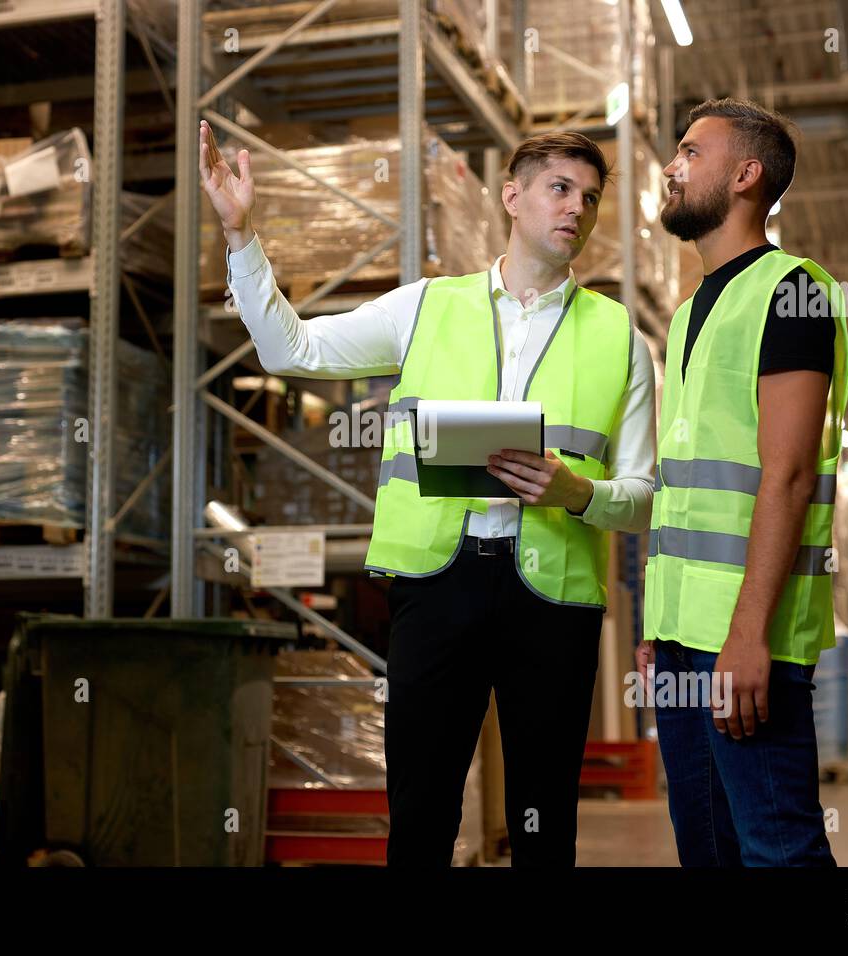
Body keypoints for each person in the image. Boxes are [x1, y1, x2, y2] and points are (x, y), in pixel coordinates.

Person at [199, 120, 655, 866]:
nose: (576, 208)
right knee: (420, 813)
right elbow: (292, 348)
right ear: (513, 197)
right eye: (559, 189)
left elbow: (642, 494)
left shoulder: (620, 337)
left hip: (553, 599)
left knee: (545, 820)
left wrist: (577, 492)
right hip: (436, 586)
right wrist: (242, 236)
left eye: (591, 198)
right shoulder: (426, 306)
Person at [636, 97, 848, 867]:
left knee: (778, 850)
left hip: (743, 637)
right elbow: (688, 487)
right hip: (684, 641)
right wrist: (659, 628)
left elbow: (788, 475)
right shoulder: (693, 308)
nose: (671, 165)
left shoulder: (790, 290)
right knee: (709, 849)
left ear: (746, 175)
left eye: (691, 152)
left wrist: (748, 634)